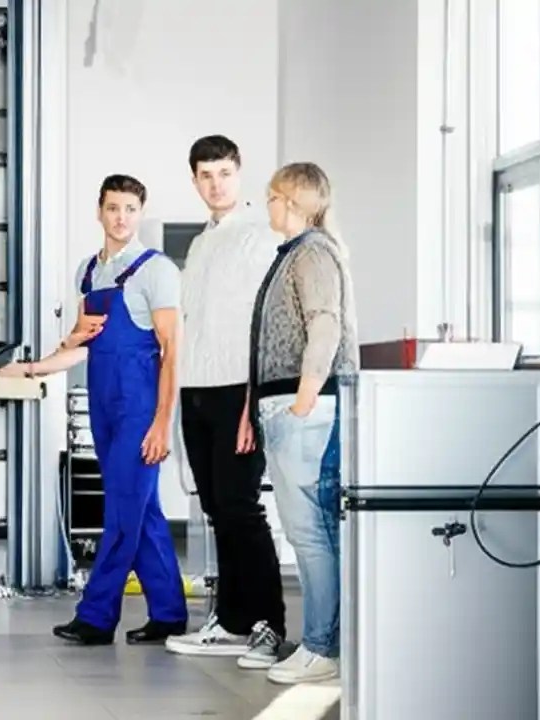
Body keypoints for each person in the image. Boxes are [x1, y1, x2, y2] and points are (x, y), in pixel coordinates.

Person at [0, 173, 188, 645]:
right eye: (113, 208)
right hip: (103, 404)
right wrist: (31, 368)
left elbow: (172, 351)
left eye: (130, 209)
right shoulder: (88, 271)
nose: (121, 218)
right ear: (99, 212)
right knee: (142, 510)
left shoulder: (156, 270)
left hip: (140, 406)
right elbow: (82, 345)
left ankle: (97, 616)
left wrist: (162, 422)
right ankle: (169, 613)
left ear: (140, 213)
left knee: (122, 511)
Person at [163, 135, 288, 668]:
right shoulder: (200, 244)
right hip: (197, 389)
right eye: (206, 176)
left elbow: (265, 323)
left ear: (239, 174)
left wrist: (252, 403)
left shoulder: (260, 236)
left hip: (239, 391)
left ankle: (267, 625)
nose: (216, 184)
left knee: (240, 507)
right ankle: (233, 622)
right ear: (195, 180)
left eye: (224, 174)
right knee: (216, 508)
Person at [248, 161, 359, 684]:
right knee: (309, 533)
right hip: (290, 406)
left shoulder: (313, 252)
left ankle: (323, 648)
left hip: (306, 409)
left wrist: (305, 397)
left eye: (271, 197)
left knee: (313, 535)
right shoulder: (296, 252)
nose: (267, 206)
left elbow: (325, 324)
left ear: (290, 201)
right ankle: (323, 643)